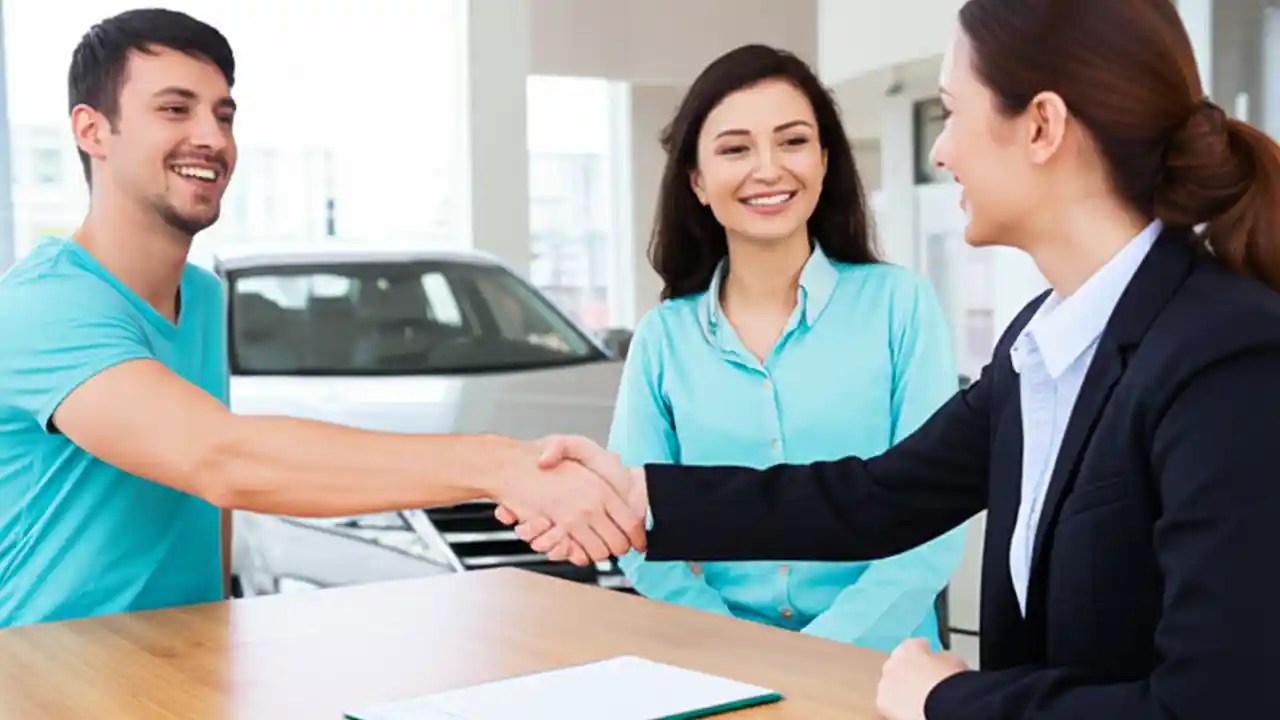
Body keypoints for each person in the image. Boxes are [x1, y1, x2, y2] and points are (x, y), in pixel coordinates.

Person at [504, 0, 1280, 717]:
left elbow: (1214, 706)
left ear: (1041, 126)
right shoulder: (1039, 348)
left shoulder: (1227, 357)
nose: (939, 152)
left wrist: (952, 700)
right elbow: (875, 498)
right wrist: (638, 495)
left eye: (949, 112)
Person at [0, 8, 642, 629]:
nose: (212, 137)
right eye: (175, 109)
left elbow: (210, 507)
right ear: (91, 131)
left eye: (224, 115)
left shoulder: (201, 298)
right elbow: (219, 458)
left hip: (173, 667)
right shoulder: (47, 305)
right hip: (48, 675)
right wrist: (500, 464)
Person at [607, 44, 967, 652]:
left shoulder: (899, 306)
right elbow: (633, 525)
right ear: (697, 180)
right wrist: (743, 648)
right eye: (735, 148)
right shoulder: (663, 338)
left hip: (880, 665)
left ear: (824, 162)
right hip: (719, 660)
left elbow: (933, 518)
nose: (768, 169)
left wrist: (819, 653)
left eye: (793, 141)